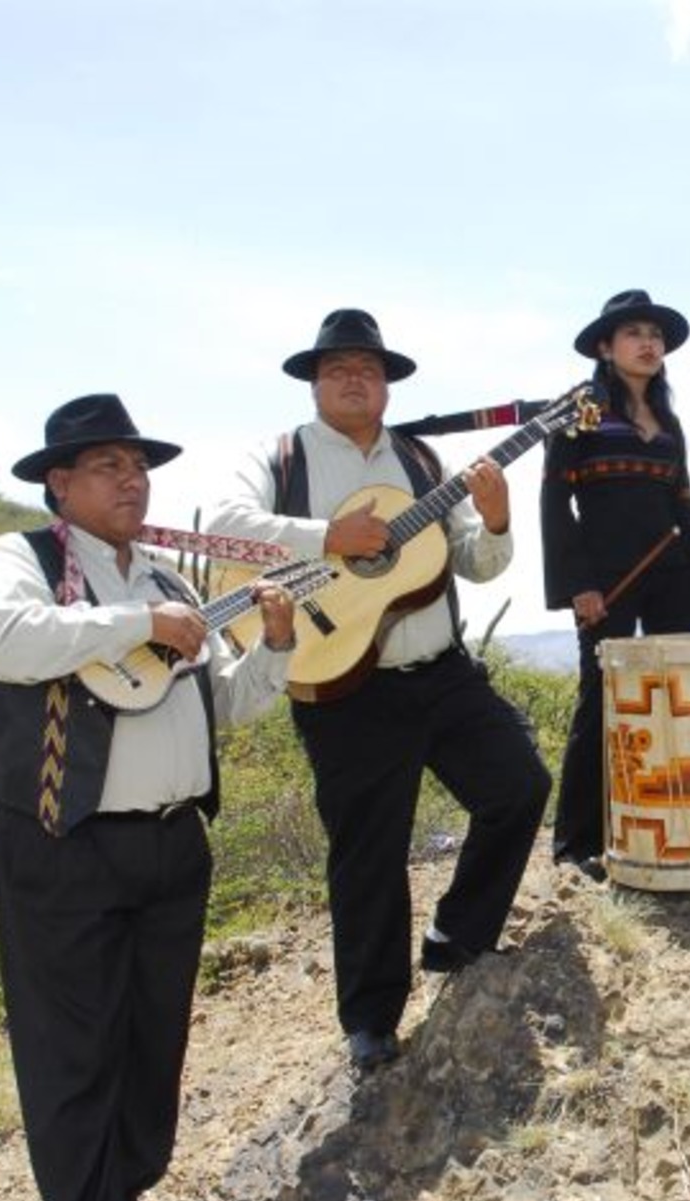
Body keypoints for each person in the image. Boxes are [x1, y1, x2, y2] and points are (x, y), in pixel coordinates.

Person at [0, 394, 296, 1201]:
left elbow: (219, 705)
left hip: (168, 846)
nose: (130, 479)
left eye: (137, 464)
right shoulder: (18, 563)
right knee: (71, 1052)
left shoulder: (172, 582)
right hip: (63, 847)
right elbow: (14, 644)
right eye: (106, 465)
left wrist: (271, 648)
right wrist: (134, 625)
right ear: (59, 484)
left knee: (150, 1042)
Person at [206, 309, 551, 1071]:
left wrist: (494, 522)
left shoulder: (423, 463)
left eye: (368, 369)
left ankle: (457, 935)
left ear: (388, 385)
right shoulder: (279, 457)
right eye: (338, 370)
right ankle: (370, 1018)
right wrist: (326, 538)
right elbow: (228, 529)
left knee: (519, 786)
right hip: (342, 685)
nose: (355, 380)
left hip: (441, 672)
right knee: (369, 851)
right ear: (315, 384)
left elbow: (474, 563)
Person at [542, 289, 690, 880]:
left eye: (656, 336)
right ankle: (575, 842)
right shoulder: (579, 411)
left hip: (668, 573)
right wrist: (578, 585)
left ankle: (653, 822)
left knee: (666, 699)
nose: (649, 344)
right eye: (634, 334)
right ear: (605, 347)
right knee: (601, 700)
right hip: (605, 581)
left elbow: (685, 510)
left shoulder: (669, 423)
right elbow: (554, 502)